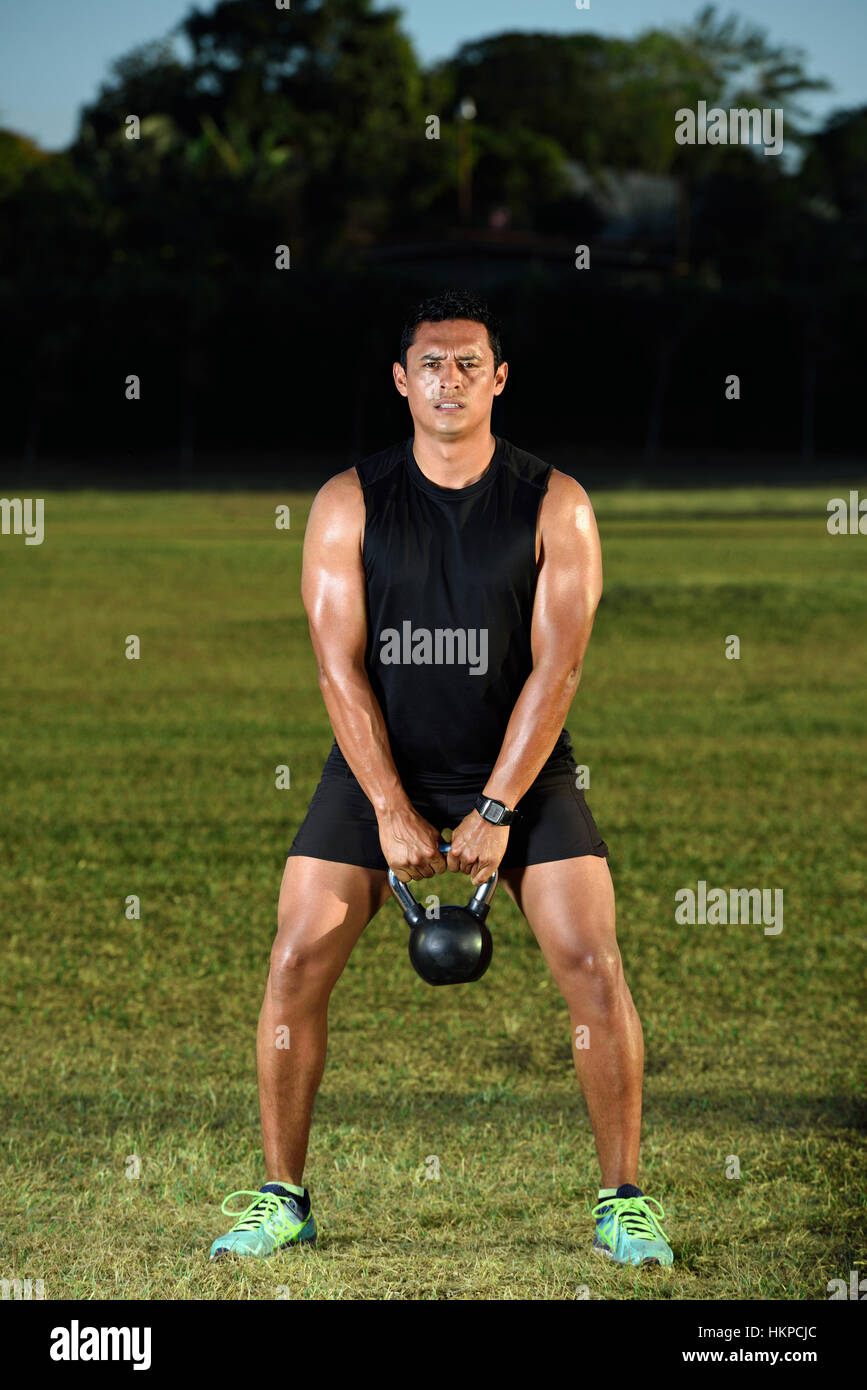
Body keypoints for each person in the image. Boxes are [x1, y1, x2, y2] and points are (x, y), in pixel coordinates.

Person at [210, 290, 672, 1268]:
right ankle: (282, 1194)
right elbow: (337, 666)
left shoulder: (557, 503)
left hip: (522, 770)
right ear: (400, 380)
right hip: (381, 765)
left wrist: (498, 807)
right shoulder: (349, 502)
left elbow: (559, 669)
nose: (449, 379)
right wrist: (385, 804)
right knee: (296, 956)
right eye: (431, 363)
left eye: (469, 363)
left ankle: (624, 1200)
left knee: (592, 961)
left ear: (499, 378)